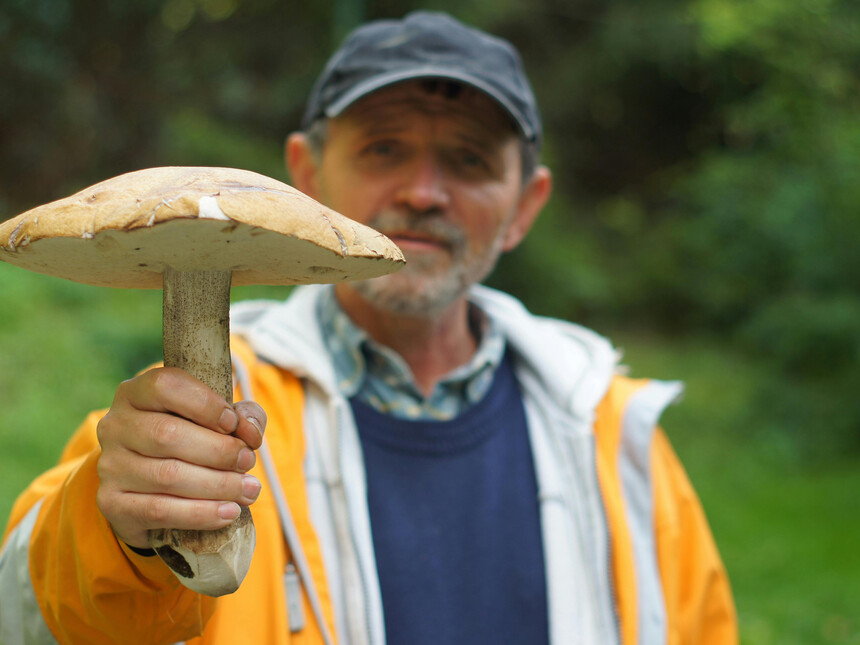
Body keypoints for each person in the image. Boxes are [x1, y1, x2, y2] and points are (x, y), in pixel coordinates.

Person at [0, 11, 736, 645]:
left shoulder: (615, 434)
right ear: (306, 174)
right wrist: (122, 534)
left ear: (525, 204)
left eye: (469, 159)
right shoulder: (178, 426)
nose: (423, 192)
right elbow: (21, 615)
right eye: (383, 148)